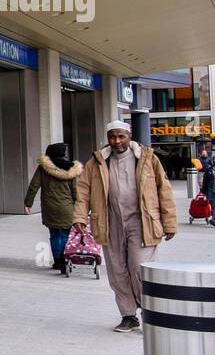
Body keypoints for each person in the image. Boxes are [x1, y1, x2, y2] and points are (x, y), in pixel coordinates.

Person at [74, 120, 177, 332]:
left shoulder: (147, 158)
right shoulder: (97, 162)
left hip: (142, 222)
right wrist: (80, 217)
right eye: (112, 137)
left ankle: (149, 310)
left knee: (139, 268)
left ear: (129, 136)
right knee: (117, 271)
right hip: (109, 221)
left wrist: (170, 223)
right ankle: (128, 315)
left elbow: (164, 190)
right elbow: (83, 191)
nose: (117, 141)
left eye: (121, 136)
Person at [23, 142, 82, 274]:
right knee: (65, 234)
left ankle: (57, 261)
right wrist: (80, 207)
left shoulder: (43, 168)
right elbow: (75, 191)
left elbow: (34, 185)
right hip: (67, 207)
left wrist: (28, 203)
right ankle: (64, 259)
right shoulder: (71, 169)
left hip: (49, 207)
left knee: (54, 234)